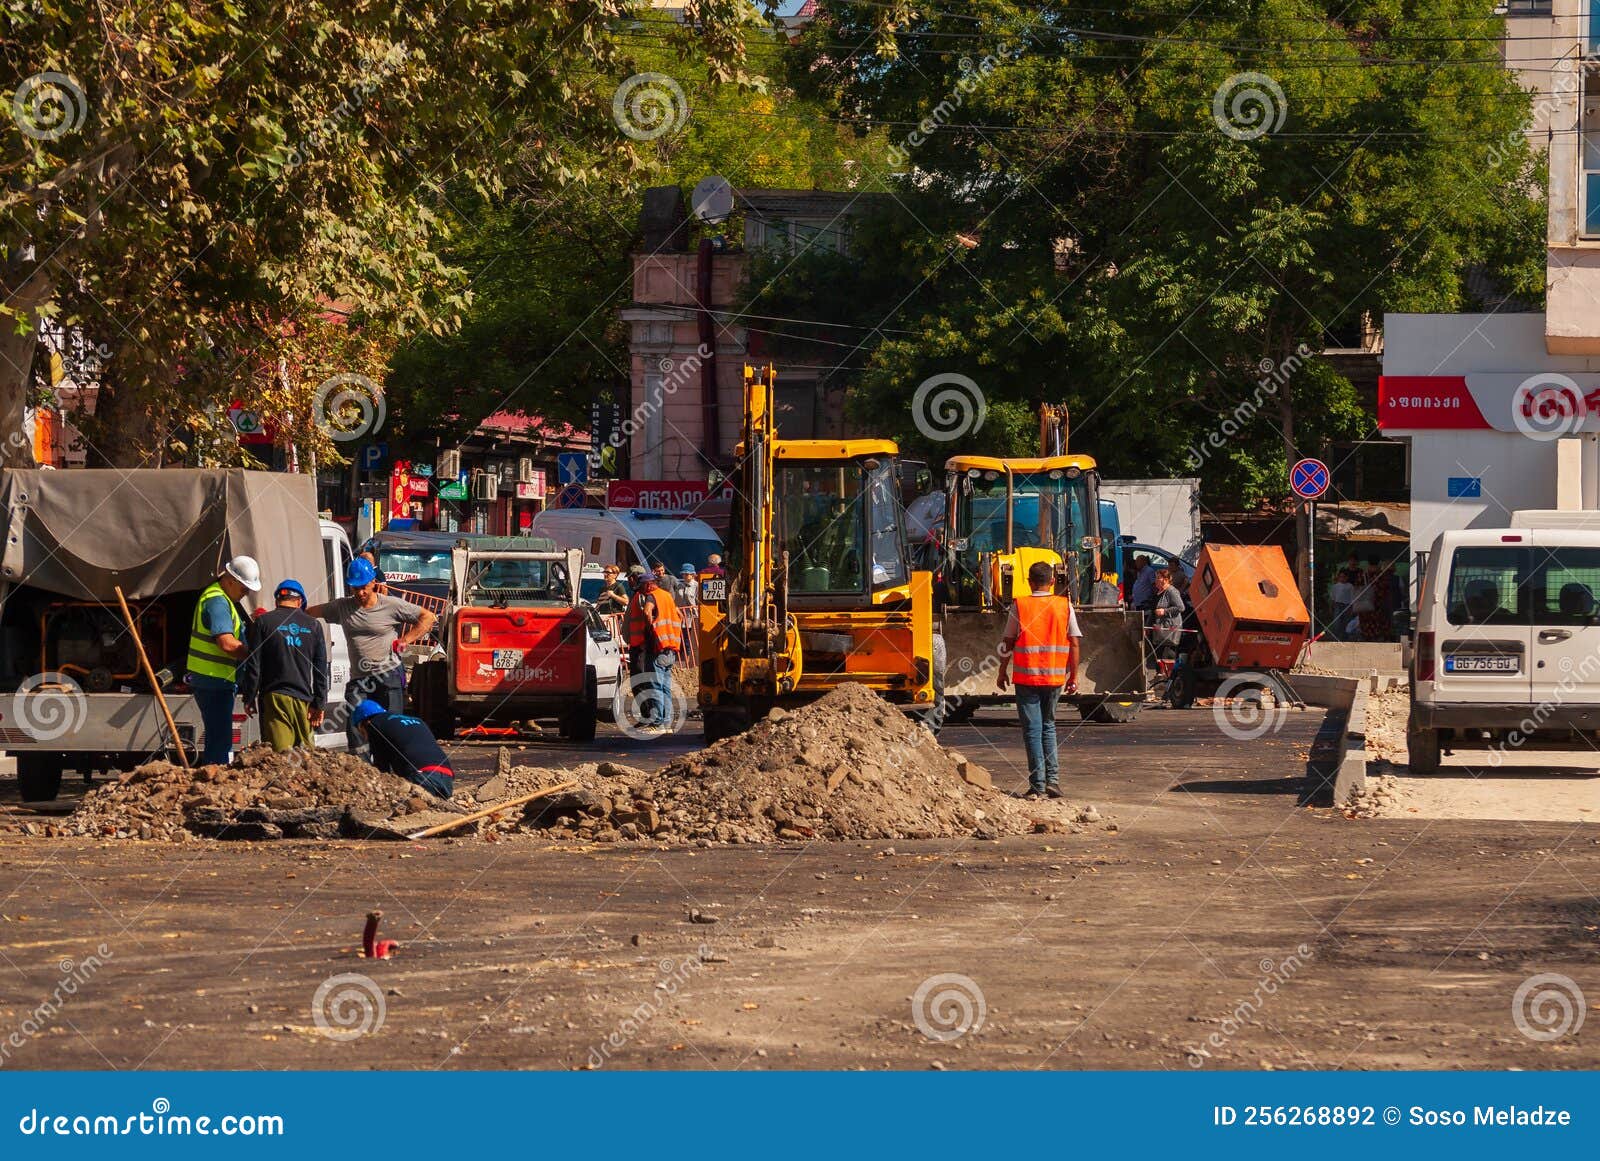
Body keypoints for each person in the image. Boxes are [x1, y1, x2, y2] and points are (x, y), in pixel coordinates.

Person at [307, 556, 435, 753]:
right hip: (360, 679)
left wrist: (405, 640)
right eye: (354, 588)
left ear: (373, 582)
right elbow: (310, 612)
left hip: (388, 675)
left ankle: (393, 771)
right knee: (354, 725)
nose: (360, 592)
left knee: (392, 727)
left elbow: (428, 617)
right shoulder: (342, 607)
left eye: (363, 587)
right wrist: (281, 613)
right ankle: (361, 769)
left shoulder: (391, 605)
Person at [996, 560, 1081, 801]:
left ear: (1029, 581)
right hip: (1054, 678)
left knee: (1032, 730)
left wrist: (1002, 671)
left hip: (1026, 677)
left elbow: (1007, 641)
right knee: (1048, 726)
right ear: (1053, 581)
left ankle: (1038, 784)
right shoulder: (1064, 606)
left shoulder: (1020, 605)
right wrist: (1073, 676)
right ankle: (1053, 780)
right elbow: (1074, 642)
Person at [186, 555, 261, 766]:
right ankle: (216, 776)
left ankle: (216, 774)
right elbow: (227, 643)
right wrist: (255, 656)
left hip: (215, 679)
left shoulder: (223, 598)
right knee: (220, 737)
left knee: (218, 734)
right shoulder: (217, 601)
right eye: (244, 587)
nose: (246, 592)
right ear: (230, 580)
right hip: (213, 680)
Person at [242, 579, 329, 752]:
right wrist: (319, 704)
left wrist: (249, 696)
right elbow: (320, 670)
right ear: (300, 602)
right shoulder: (314, 625)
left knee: (280, 756)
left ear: (277, 600)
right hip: (304, 701)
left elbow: (254, 665)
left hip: (275, 699)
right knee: (305, 758)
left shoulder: (263, 622)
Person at [349, 700, 455, 798]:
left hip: (421, 777)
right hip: (447, 778)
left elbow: (381, 768)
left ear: (363, 723)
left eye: (360, 730)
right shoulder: (417, 720)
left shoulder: (374, 725)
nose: (362, 735)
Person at [624, 566, 682, 728]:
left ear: (648, 585)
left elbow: (647, 612)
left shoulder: (652, 596)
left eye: (642, 588)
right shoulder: (667, 597)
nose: (641, 592)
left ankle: (657, 721)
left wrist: (650, 628)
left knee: (654, 686)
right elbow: (680, 616)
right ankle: (666, 722)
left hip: (657, 648)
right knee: (664, 687)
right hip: (670, 648)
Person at [1149, 568, 1186, 671]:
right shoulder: (1158, 592)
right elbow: (1153, 611)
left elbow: (1181, 607)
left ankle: (1167, 680)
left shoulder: (1171, 591)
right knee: (1158, 657)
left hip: (1169, 630)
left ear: (1165, 579)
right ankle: (1159, 677)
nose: (1155, 580)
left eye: (1158, 578)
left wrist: (1164, 611)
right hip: (1159, 630)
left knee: (1167, 656)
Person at [1329, 568, 1356, 641]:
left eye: (1344, 577)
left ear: (1347, 577)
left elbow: (1352, 597)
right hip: (1338, 605)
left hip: (1347, 605)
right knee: (1337, 622)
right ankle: (1336, 637)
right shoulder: (1335, 586)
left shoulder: (1350, 586)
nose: (1342, 578)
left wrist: (1352, 607)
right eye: (1340, 577)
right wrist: (1331, 607)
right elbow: (1333, 598)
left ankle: (1345, 637)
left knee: (1346, 621)